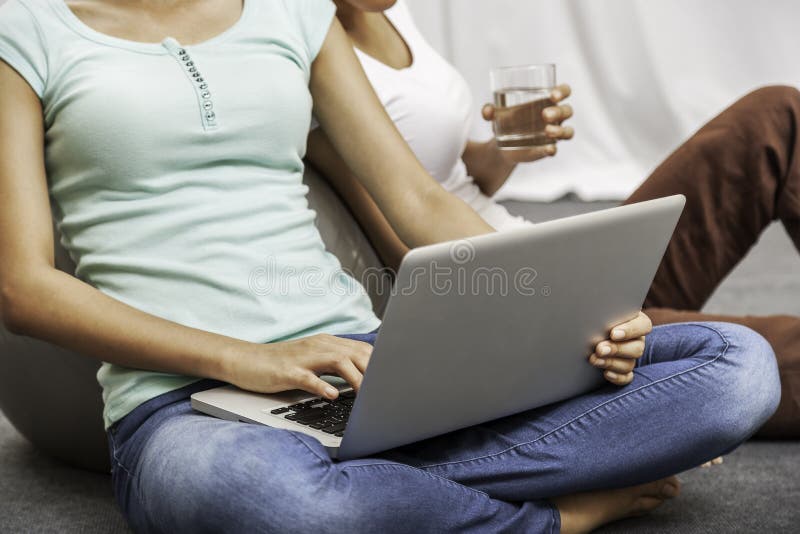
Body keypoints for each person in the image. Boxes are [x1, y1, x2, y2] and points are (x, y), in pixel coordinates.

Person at [0, 1, 780, 532]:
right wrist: (254, 359)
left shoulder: (293, 12)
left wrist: (570, 314)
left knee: (737, 369)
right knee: (265, 498)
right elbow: (22, 287)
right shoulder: (24, 28)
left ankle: (397, 496)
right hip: (187, 412)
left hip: (372, 369)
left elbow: (415, 197)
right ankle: (558, 516)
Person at [309, 0, 800, 439]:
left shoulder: (391, 10)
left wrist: (503, 151)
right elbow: (409, 245)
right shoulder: (311, 42)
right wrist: (564, 306)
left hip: (553, 261)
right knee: (766, 355)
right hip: (526, 308)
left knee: (778, 115)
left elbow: (455, 177)